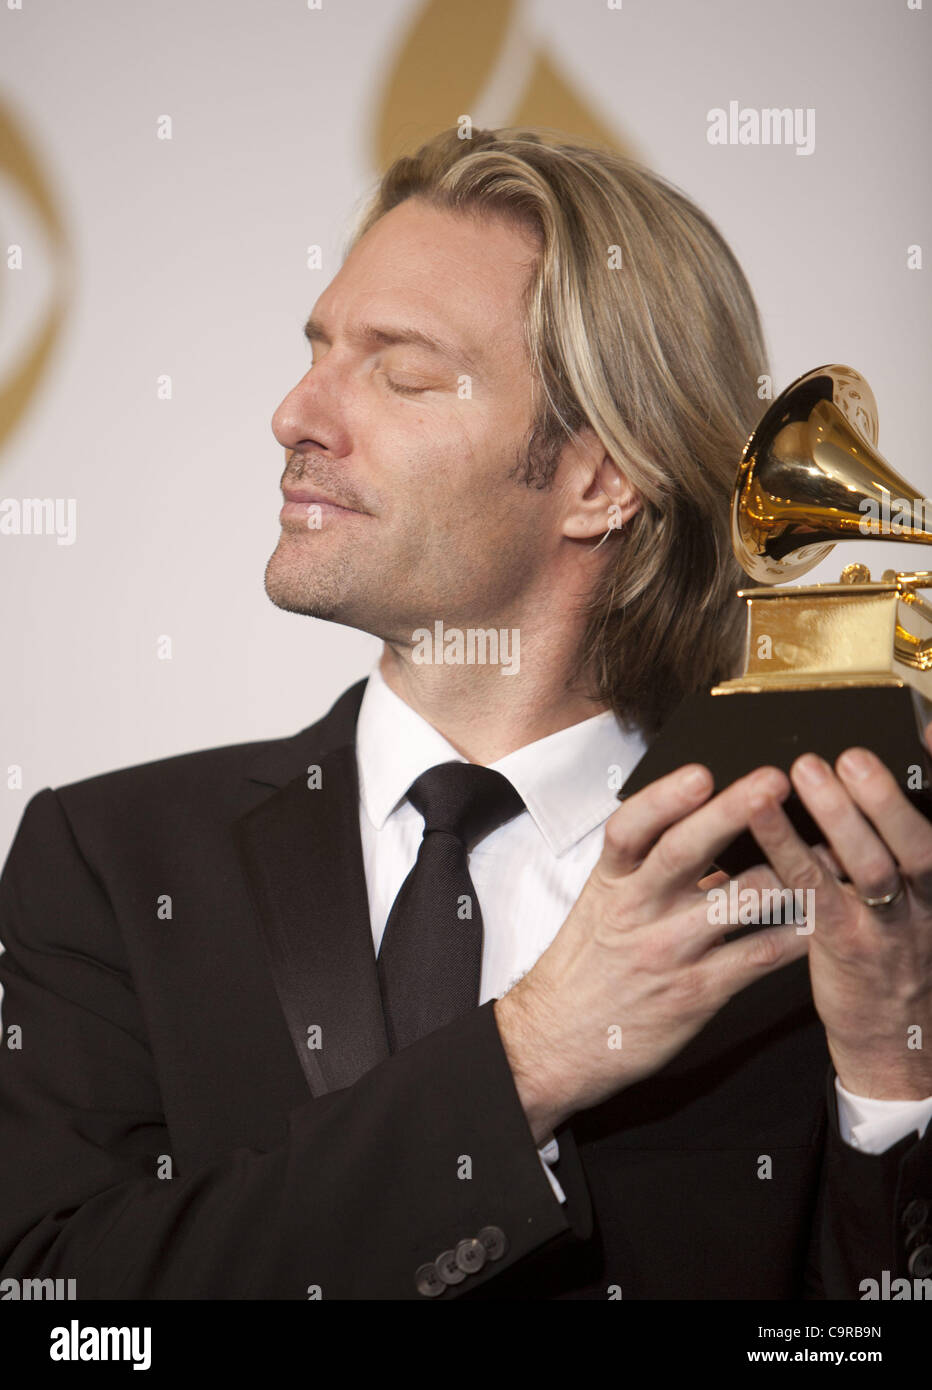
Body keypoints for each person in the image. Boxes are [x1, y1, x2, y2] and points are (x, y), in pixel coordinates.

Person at [0, 126, 929, 1301]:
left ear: (598, 481)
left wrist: (892, 1077)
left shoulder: (814, 883)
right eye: (319, 351)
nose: (295, 413)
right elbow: (51, 1312)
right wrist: (532, 1051)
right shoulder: (112, 859)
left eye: (399, 370)